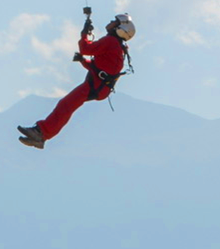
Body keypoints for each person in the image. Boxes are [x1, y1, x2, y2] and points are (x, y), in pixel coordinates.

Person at [18, 12, 136, 148]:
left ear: (121, 28)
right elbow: (99, 69)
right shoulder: (117, 45)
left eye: (115, 21)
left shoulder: (110, 42)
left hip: (96, 85)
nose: (111, 22)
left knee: (66, 105)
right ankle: (41, 134)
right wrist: (83, 60)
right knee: (66, 105)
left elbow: (85, 48)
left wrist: (84, 34)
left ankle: (41, 134)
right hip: (99, 86)